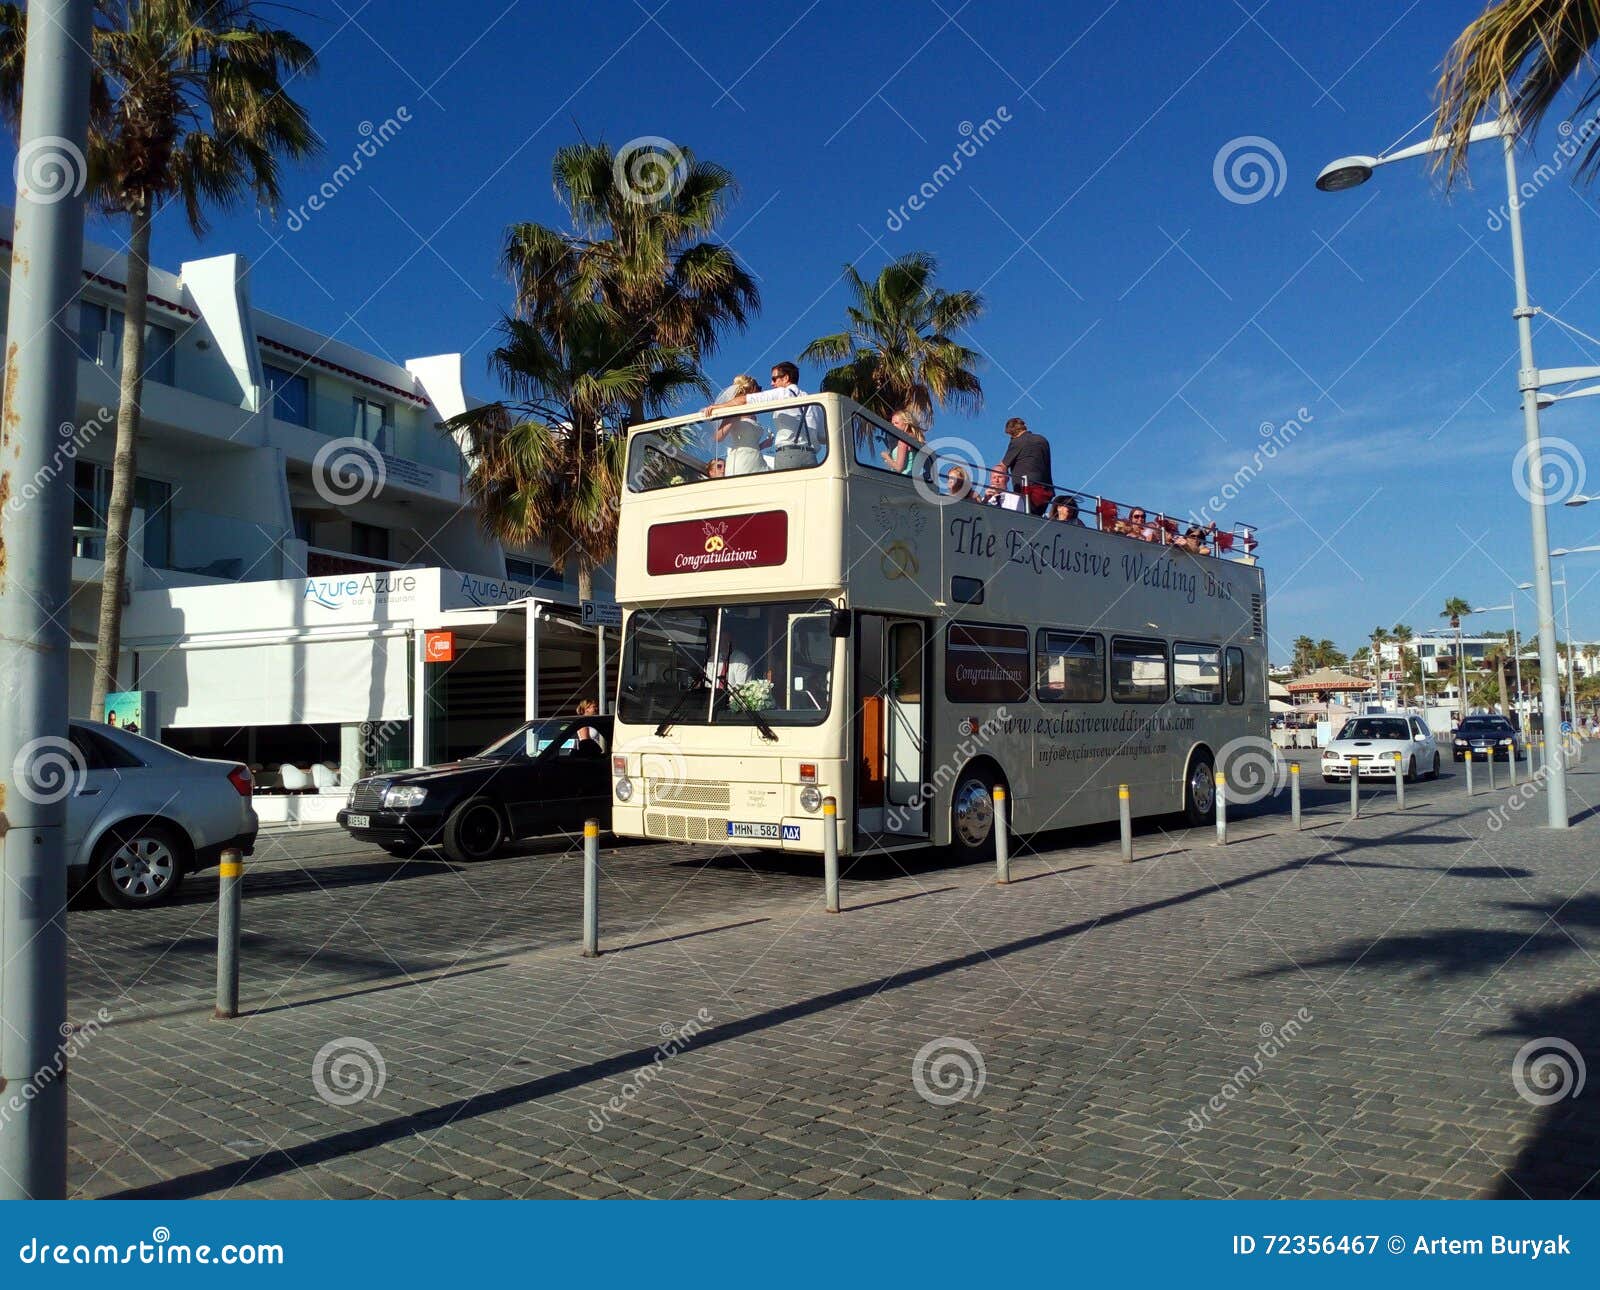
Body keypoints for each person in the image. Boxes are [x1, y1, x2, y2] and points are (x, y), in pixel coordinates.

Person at [704, 361, 820, 471]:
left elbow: (745, 400)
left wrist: (719, 406)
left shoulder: (782, 393)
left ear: (786, 378)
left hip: (786, 455)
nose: (771, 384)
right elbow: (822, 436)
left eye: (774, 379)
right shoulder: (813, 402)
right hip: (811, 456)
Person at [712, 375, 765, 475]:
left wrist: (764, 444)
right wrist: (734, 416)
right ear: (752, 389)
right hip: (741, 461)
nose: (761, 391)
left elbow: (749, 443)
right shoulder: (734, 411)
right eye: (759, 388)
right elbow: (718, 437)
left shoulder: (754, 415)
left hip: (756, 459)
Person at [1000, 416, 1053, 516]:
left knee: (1024, 517)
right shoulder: (1042, 440)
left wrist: (1000, 486)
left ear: (1012, 433)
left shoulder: (1017, 441)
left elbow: (1002, 466)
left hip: (1026, 488)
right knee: (1036, 518)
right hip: (1046, 489)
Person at [880, 409, 927, 474]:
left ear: (906, 423)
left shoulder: (903, 441)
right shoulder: (914, 439)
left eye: (896, 423)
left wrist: (886, 456)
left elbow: (898, 468)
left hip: (903, 477)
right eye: (892, 424)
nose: (893, 426)